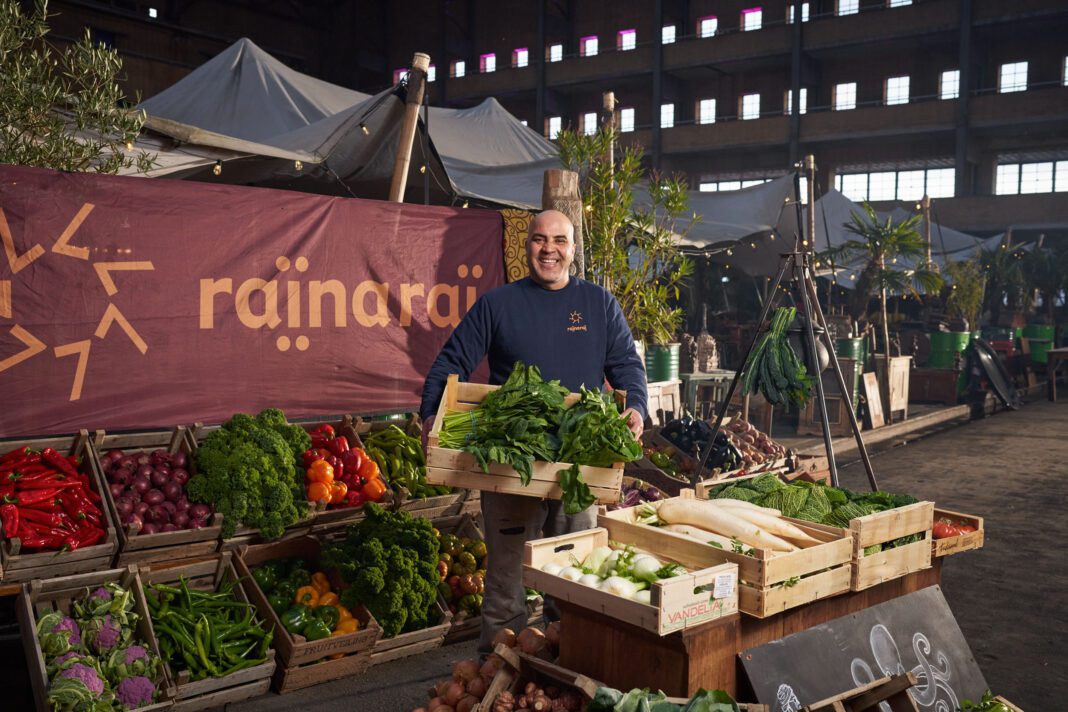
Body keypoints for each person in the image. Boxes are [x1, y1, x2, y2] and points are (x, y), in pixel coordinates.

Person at [419, 209, 648, 657]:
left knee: (577, 579)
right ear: (527, 246)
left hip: (580, 468)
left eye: (559, 240)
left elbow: (625, 365)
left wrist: (636, 407)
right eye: (540, 240)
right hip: (511, 463)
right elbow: (452, 361)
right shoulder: (498, 304)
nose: (549, 249)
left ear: (573, 248)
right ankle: (500, 676)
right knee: (506, 584)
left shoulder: (599, 305)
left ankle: (571, 672)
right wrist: (432, 413)